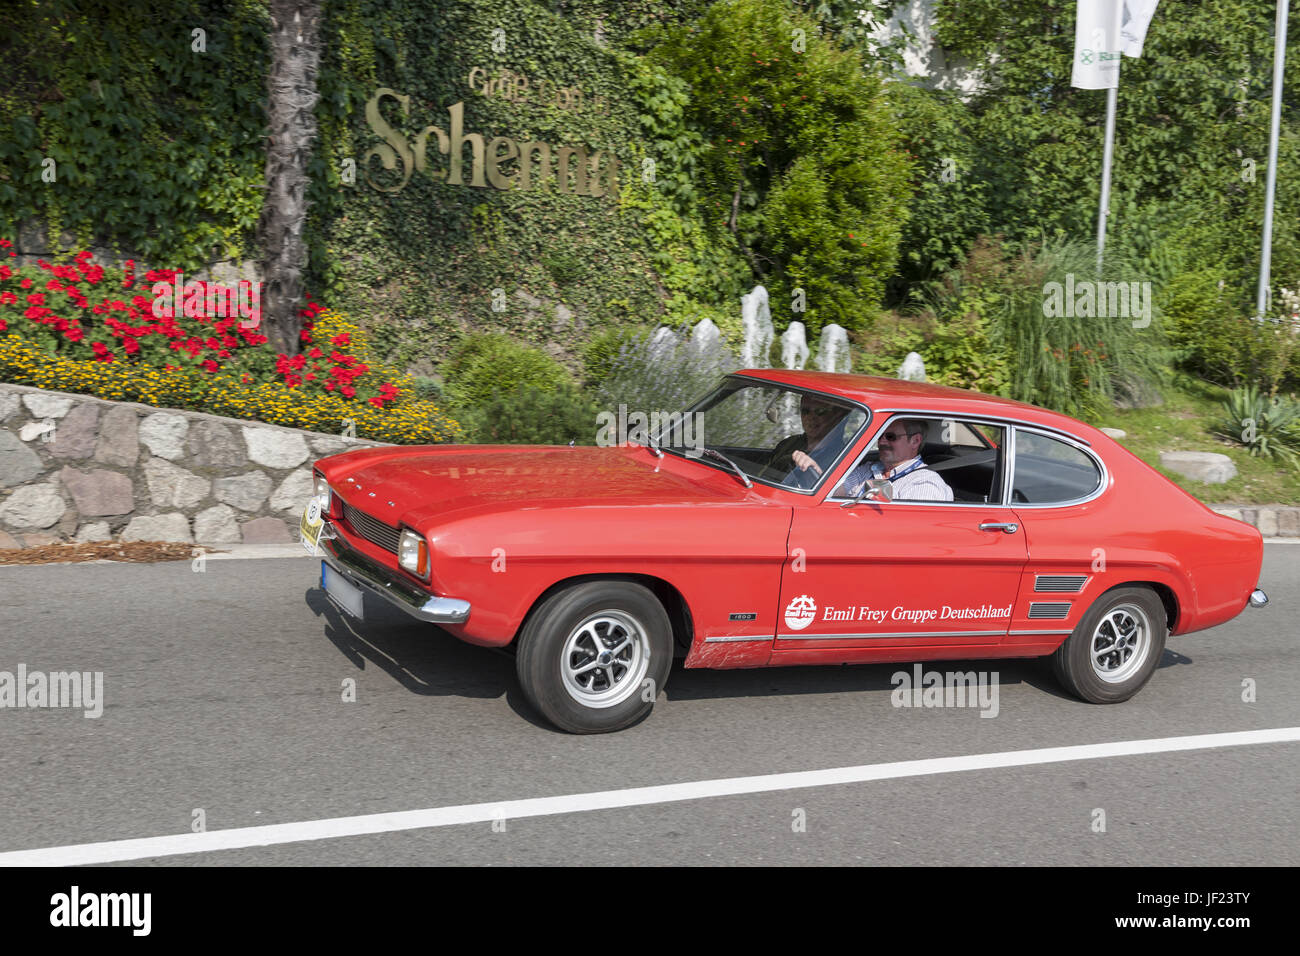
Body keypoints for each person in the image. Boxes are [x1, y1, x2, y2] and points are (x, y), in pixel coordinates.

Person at [839, 418, 953, 502]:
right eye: (879, 436)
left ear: (915, 441)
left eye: (890, 437)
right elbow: (833, 490)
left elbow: (911, 531)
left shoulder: (924, 484)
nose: (881, 442)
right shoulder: (868, 469)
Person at [766, 395, 848, 488]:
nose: (811, 417)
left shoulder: (843, 457)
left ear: (837, 417)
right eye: (805, 411)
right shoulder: (787, 444)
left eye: (820, 411)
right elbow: (765, 474)